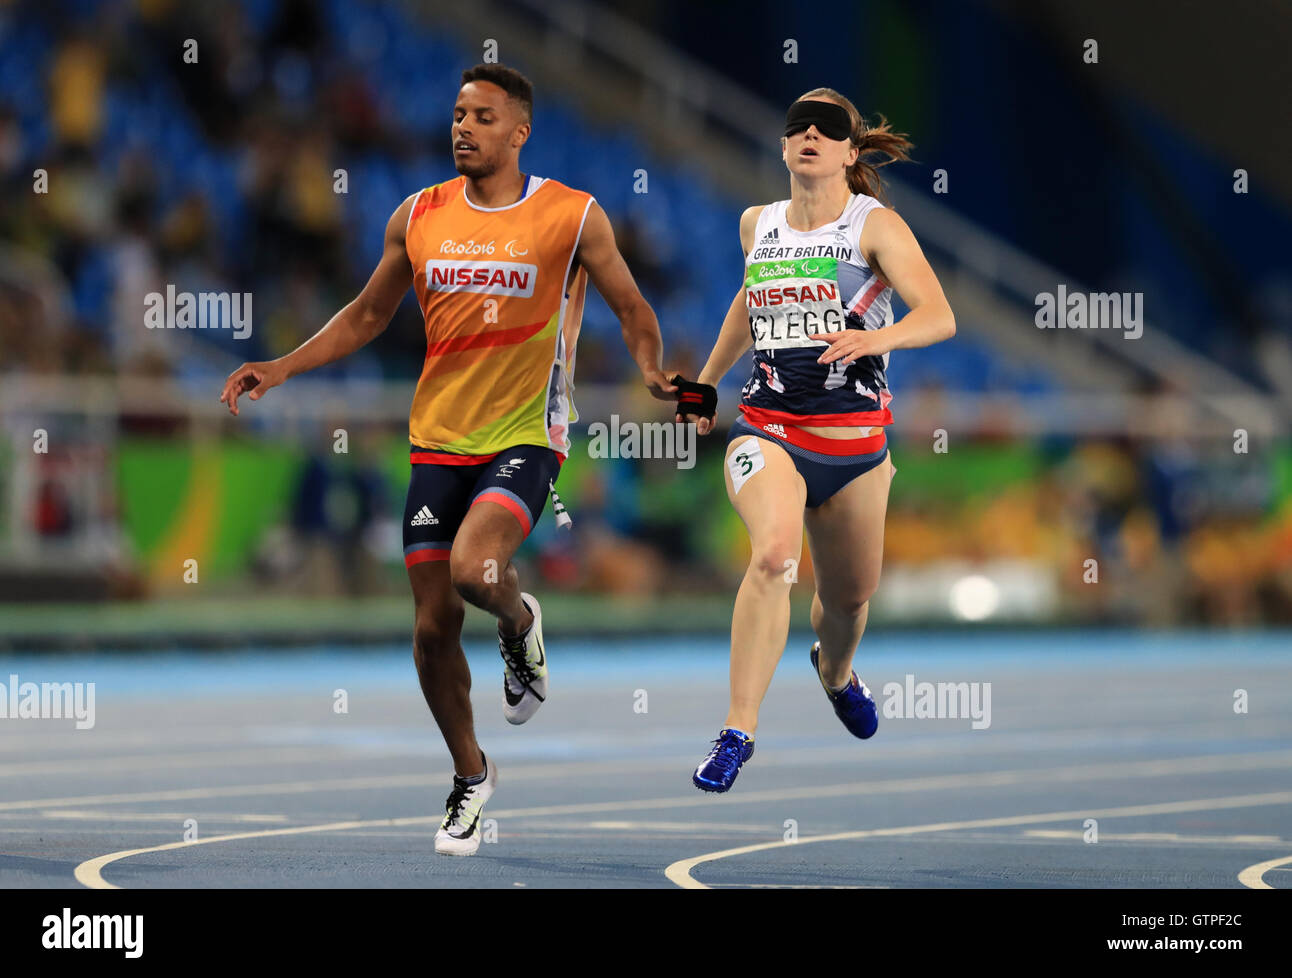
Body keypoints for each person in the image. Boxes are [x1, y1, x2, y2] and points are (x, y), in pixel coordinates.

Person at [221, 63, 679, 851]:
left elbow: (633, 308)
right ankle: (472, 775)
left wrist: (651, 373)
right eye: (458, 114)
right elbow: (368, 314)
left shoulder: (572, 216)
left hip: (525, 436)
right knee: (432, 627)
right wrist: (283, 366)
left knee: (474, 573)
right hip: (437, 440)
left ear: (519, 131)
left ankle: (516, 617)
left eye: (483, 117)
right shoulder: (418, 214)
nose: (464, 127)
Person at [680, 89, 955, 792]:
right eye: (796, 126)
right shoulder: (757, 225)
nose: (808, 134)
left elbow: (939, 316)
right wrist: (707, 382)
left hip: (856, 446)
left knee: (850, 599)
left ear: (849, 151)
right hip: (769, 427)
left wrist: (877, 337)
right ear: (782, 147)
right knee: (773, 557)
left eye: (827, 128)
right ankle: (738, 730)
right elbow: (749, 302)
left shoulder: (875, 226)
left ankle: (834, 672)